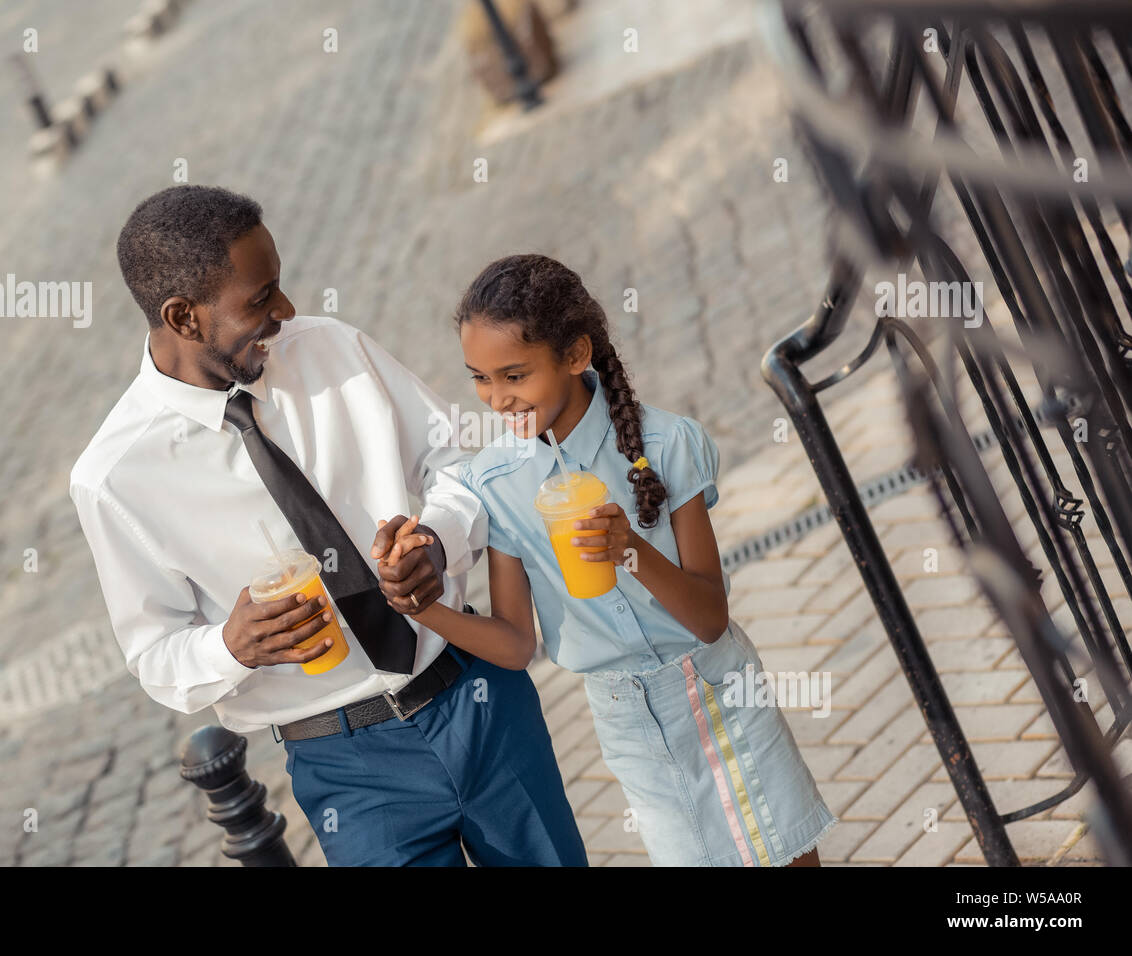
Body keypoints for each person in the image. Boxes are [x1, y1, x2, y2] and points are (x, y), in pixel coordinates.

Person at [68, 186, 586, 866]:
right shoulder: (114, 479)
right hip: (349, 772)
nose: (284, 311)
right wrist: (231, 646)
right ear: (182, 318)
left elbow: (457, 462)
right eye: (261, 298)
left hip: (477, 700)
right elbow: (156, 657)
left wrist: (439, 536)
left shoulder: (335, 349)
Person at [380, 253, 839, 866]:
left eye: (514, 375)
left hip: (716, 686)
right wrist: (424, 608)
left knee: (786, 856)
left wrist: (631, 551)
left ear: (575, 356)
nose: (497, 399)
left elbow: (708, 617)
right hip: (625, 718)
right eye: (480, 379)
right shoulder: (497, 484)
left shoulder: (667, 445)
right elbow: (517, 644)